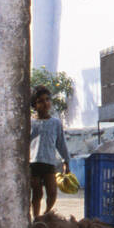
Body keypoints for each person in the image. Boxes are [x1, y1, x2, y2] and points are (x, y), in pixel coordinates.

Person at [30, 86, 70, 220]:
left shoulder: (56, 123)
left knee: (52, 192)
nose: (45, 103)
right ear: (35, 105)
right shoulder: (30, 122)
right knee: (37, 194)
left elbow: (61, 144)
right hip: (33, 163)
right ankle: (36, 218)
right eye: (40, 101)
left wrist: (66, 161)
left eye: (47, 100)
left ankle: (46, 214)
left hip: (49, 162)